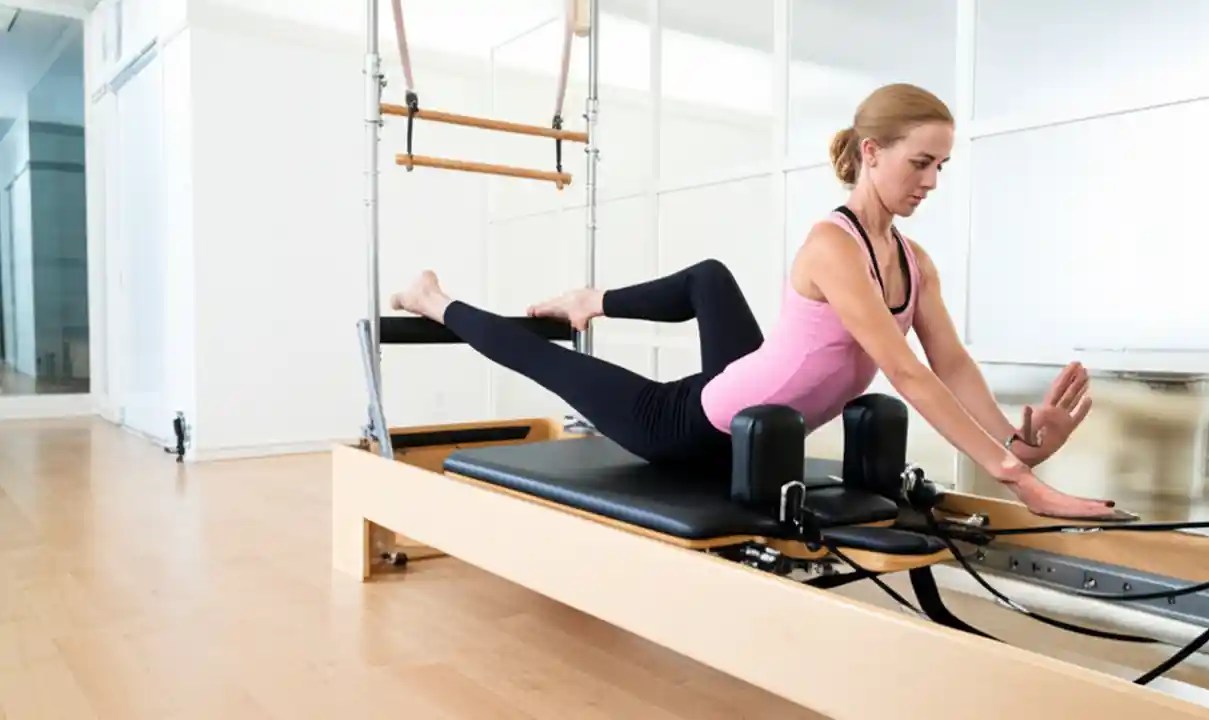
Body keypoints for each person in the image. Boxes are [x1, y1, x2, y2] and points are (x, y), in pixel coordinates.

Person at [391, 83, 1131, 521]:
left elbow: (952, 363)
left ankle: (592, 298)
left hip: (751, 406)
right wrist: (1017, 479)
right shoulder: (831, 247)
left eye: (941, 166)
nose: (931, 181)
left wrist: (1016, 437)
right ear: (871, 154)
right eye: (919, 162)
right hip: (688, 427)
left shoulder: (915, 261)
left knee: (709, 278)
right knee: (538, 353)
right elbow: (905, 372)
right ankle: (436, 298)